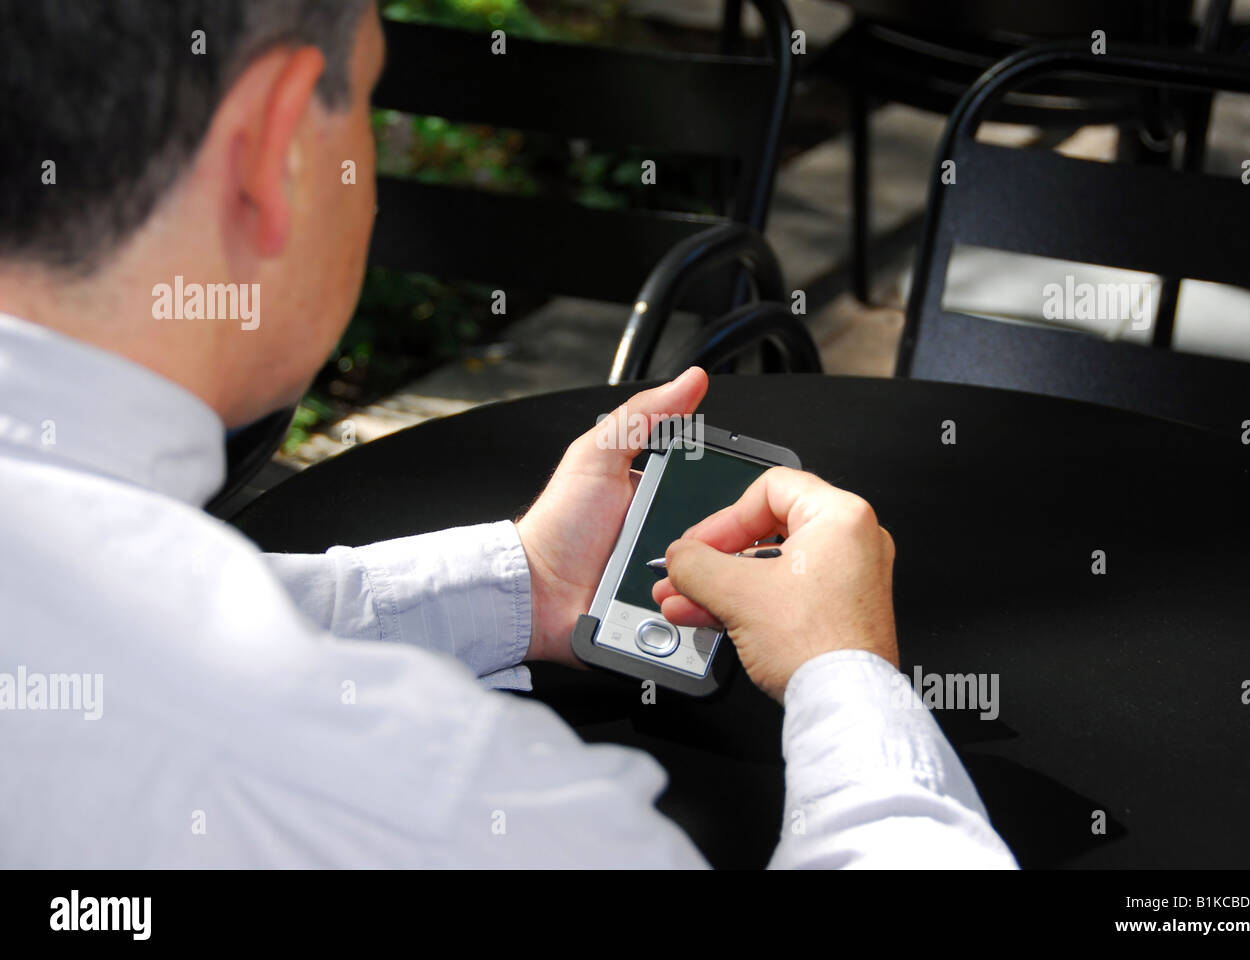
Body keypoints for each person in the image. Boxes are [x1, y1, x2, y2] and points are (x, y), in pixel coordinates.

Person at [0, 0, 1016, 868]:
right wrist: (847, 675)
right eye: (365, 100)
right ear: (270, 155)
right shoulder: (433, 807)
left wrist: (525, 582)